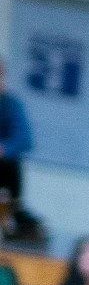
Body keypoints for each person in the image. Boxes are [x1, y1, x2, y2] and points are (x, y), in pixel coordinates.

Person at [0, 56, 44, 242]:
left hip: (4, 172)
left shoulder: (11, 104)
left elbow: (24, 139)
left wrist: (3, 148)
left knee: (10, 162)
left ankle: (12, 219)